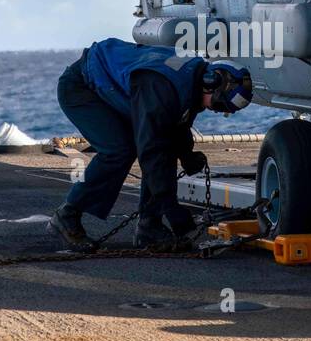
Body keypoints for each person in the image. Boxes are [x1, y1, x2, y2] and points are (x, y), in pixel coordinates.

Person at [48, 38, 253, 251]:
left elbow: (177, 123)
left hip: (117, 91)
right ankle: (67, 215)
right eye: (218, 105)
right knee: (120, 150)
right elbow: (151, 150)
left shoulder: (195, 78)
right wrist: (174, 212)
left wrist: (186, 154)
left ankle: (149, 228)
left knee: (162, 148)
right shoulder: (160, 86)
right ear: (212, 82)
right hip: (81, 87)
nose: (214, 110)